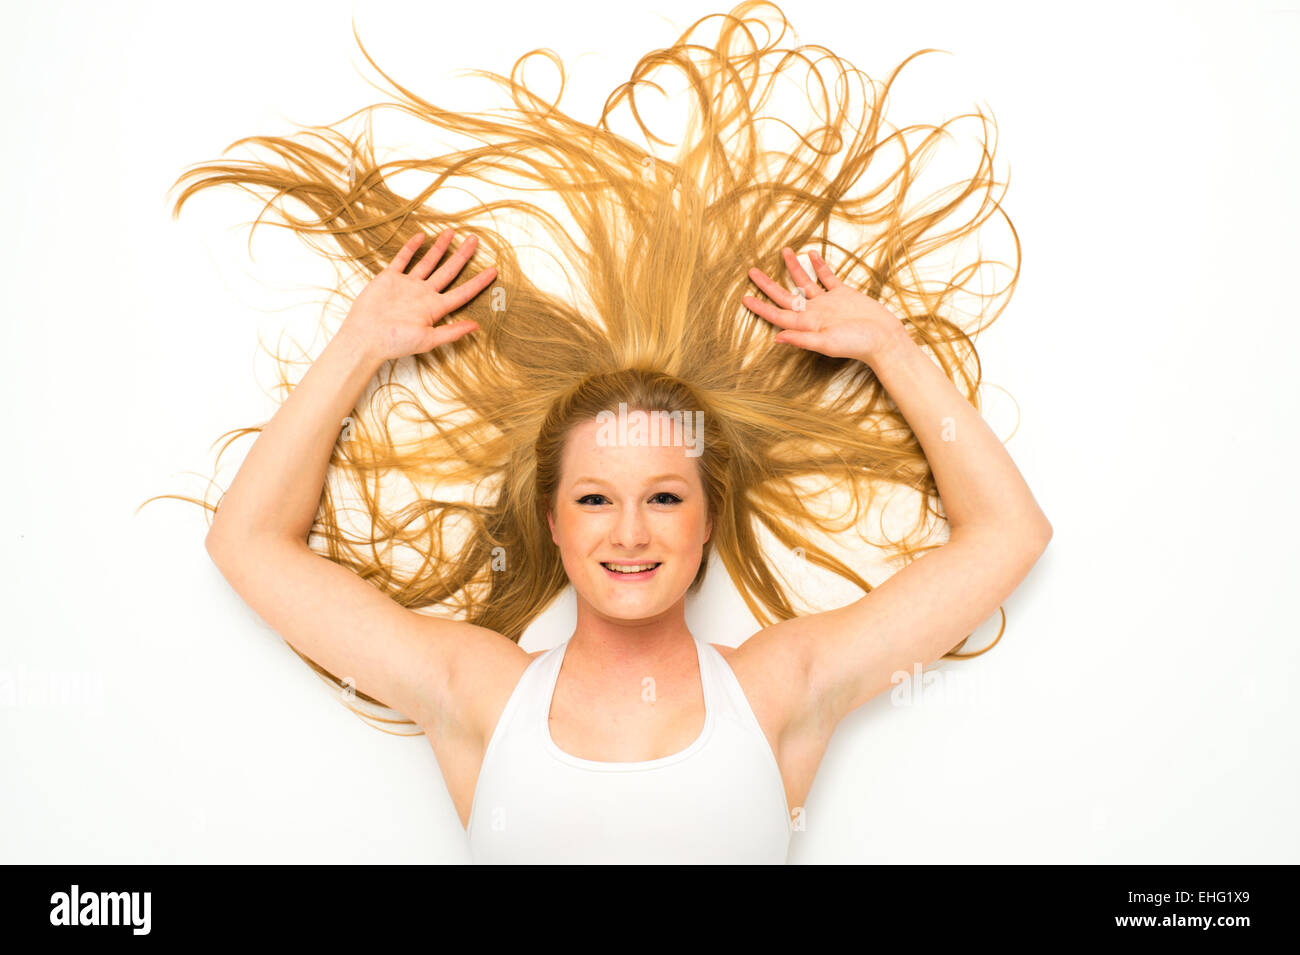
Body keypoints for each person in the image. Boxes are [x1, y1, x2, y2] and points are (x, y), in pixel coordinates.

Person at [160, 1, 1052, 863]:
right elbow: (246, 543)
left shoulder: (781, 688)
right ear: (552, 520)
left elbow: (1009, 534)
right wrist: (361, 344)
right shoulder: (478, 693)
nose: (630, 531)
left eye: (665, 496)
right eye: (595, 498)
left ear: (708, 518)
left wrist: (891, 347)